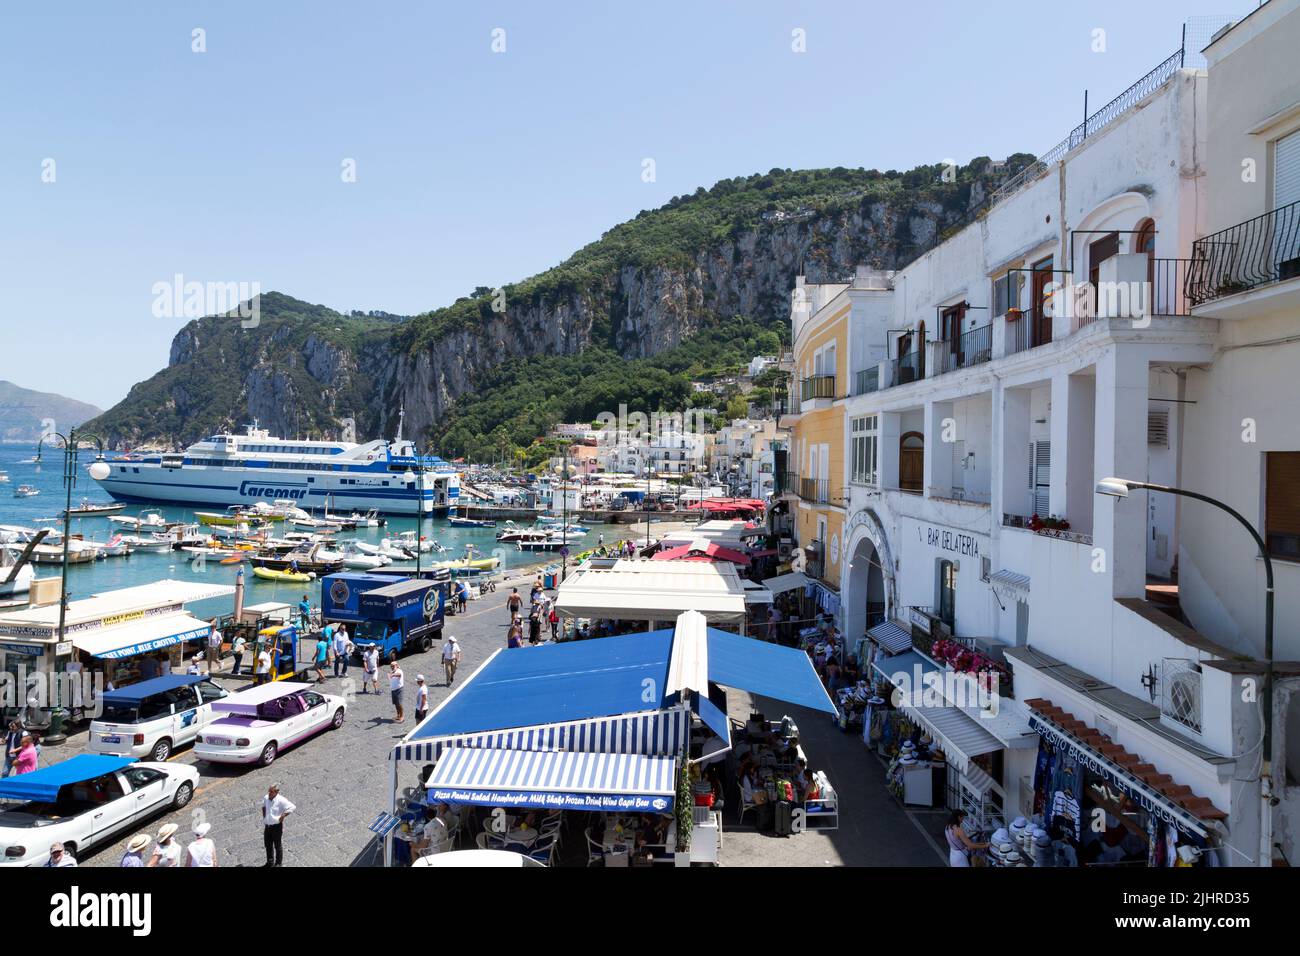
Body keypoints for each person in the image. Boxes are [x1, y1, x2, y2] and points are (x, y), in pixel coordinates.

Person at [261, 784, 295, 867]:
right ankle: (270, 862)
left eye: (271, 791)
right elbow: (263, 806)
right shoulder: (266, 798)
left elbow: (292, 807)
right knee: (268, 844)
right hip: (268, 826)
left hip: (277, 826)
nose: (269, 793)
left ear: (276, 792)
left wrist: (283, 815)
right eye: (269, 790)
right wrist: (265, 817)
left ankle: (278, 863)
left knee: (277, 845)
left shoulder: (281, 800)